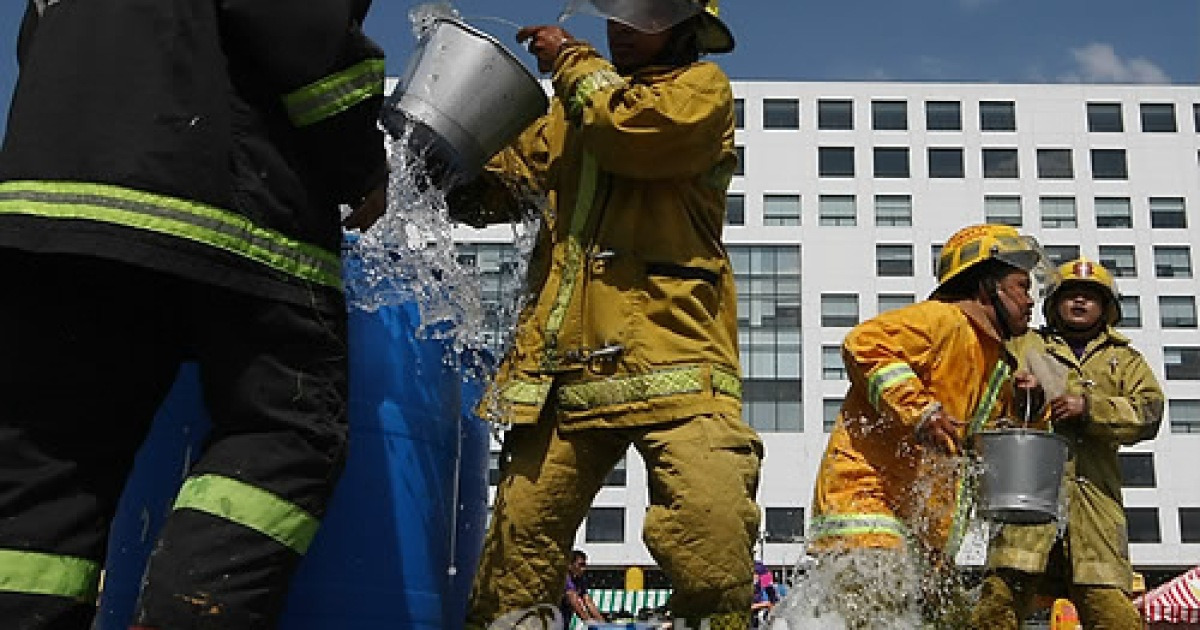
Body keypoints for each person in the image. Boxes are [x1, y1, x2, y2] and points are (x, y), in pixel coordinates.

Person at [0, 0, 388, 628]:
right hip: (221, 190)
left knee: (48, 465)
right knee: (286, 426)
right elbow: (294, 21)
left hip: (52, 199)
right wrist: (361, 160)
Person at [453, 2, 763, 629]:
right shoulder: (571, 109)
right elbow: (502, 183)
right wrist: (446, 161)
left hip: (676, 364)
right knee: (515, 565)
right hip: (561, 377)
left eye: (645, 15)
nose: (621, 27)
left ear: (683, 29)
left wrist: (569, 59)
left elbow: (628, 133)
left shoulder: (700, 92)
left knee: (711, 538)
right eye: (619, 12)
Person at [806, 224, 1048, 629]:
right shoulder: (942, 321)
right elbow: (863, 343)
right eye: (1022, 286)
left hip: (924, 532)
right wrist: (921, 412)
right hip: (867, 506)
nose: (1031, 301)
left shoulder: (995, 359)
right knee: (878, 608)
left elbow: (990, 439)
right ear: (989, 286)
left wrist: (1030, 406)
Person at [971, 257, 1164, 630]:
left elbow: (1149, 412)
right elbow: (990, 394)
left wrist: (1090, 408)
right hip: (1027, 499)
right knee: (999, 601)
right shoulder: (1025, 342)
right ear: (1053, 304)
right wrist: (1022, 394)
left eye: (1090, 297)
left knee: (1111, 610)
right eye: (1070, 295)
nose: (1079, 302)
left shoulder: (1124, 360)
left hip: (1095, 508)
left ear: (1105, 308)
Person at [561, 550, 604, 626]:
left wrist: (603, 624)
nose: (584, 569)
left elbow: (588, 601)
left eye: (584, 565)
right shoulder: (564, 578)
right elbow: (574, 601)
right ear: (570, 565)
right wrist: (589, 622)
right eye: (580, 565)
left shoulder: (580, 580)